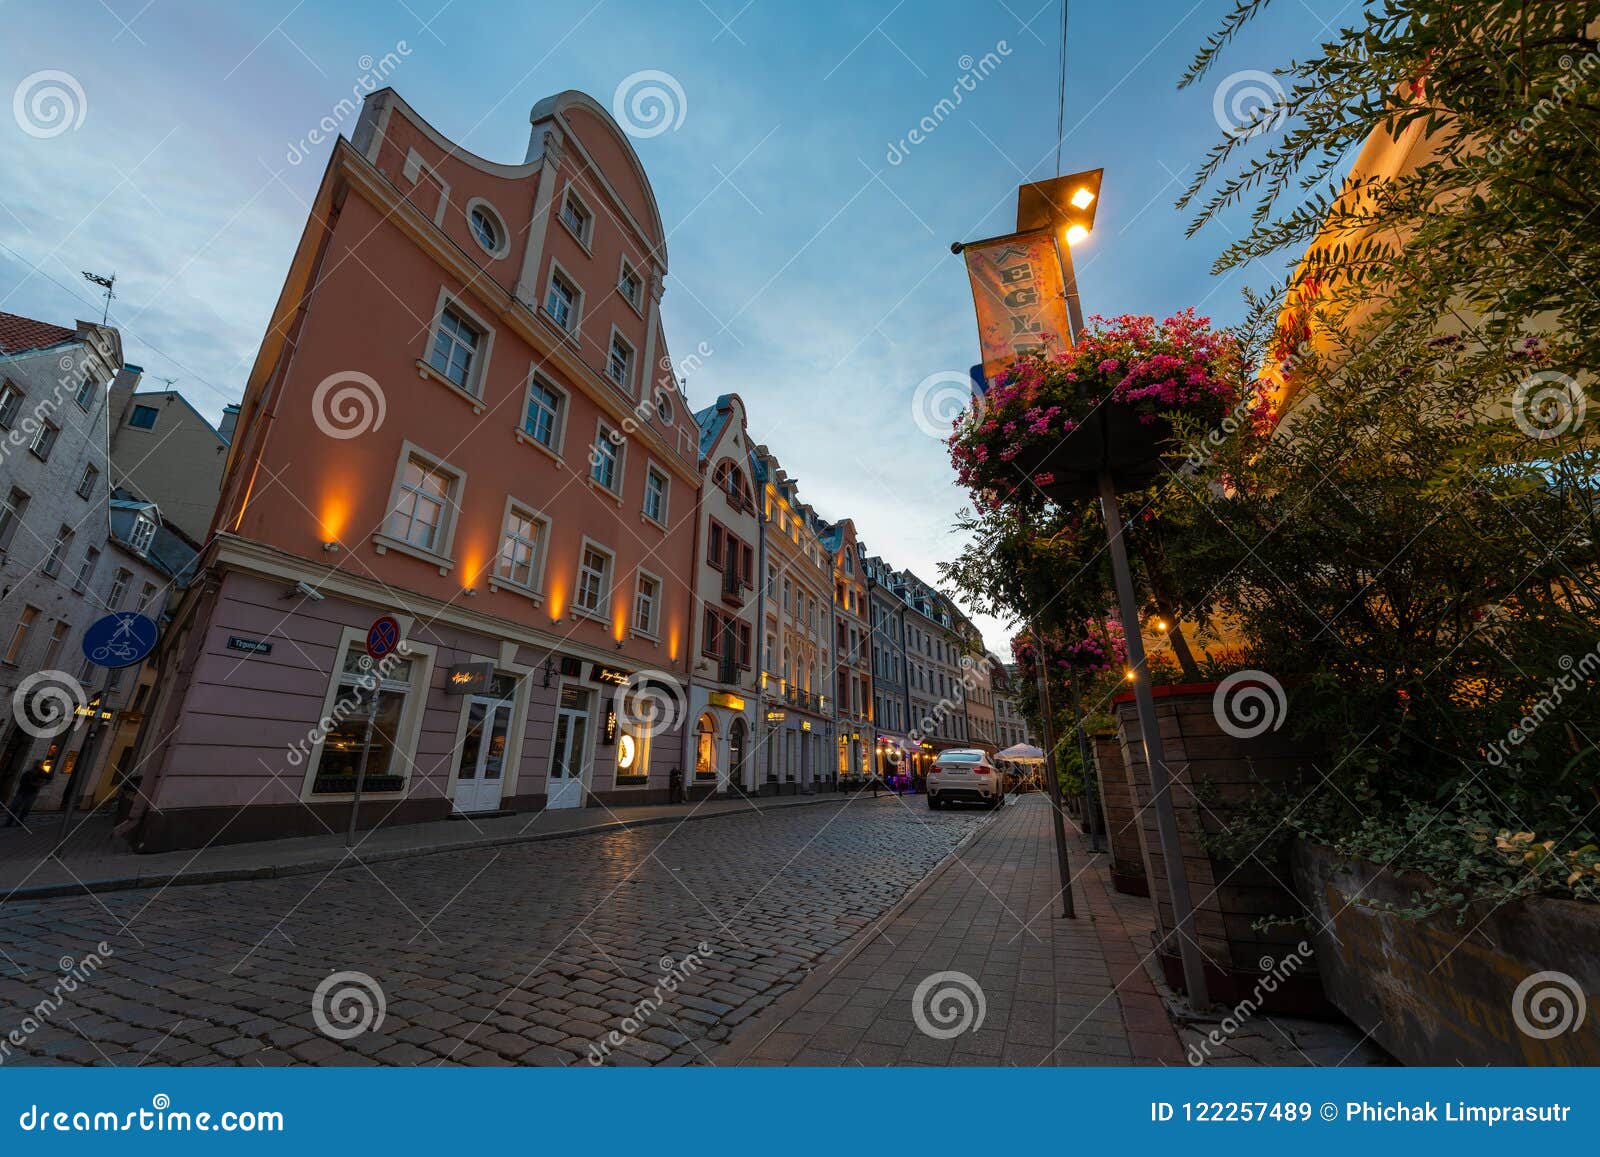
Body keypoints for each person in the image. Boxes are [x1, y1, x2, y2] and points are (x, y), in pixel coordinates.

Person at [3, 762, 50, 828]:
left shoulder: (41, 773)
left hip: (32, 793)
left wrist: (42, 783)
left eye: (40, 765)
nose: (39, 766)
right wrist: (33, 784)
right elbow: (22, 782)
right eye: (38, 765)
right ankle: (9, 822)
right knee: (15, 807)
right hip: (22, 792)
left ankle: (19, 821)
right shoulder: (28, 773)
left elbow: (49, 777)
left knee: (26, 809)